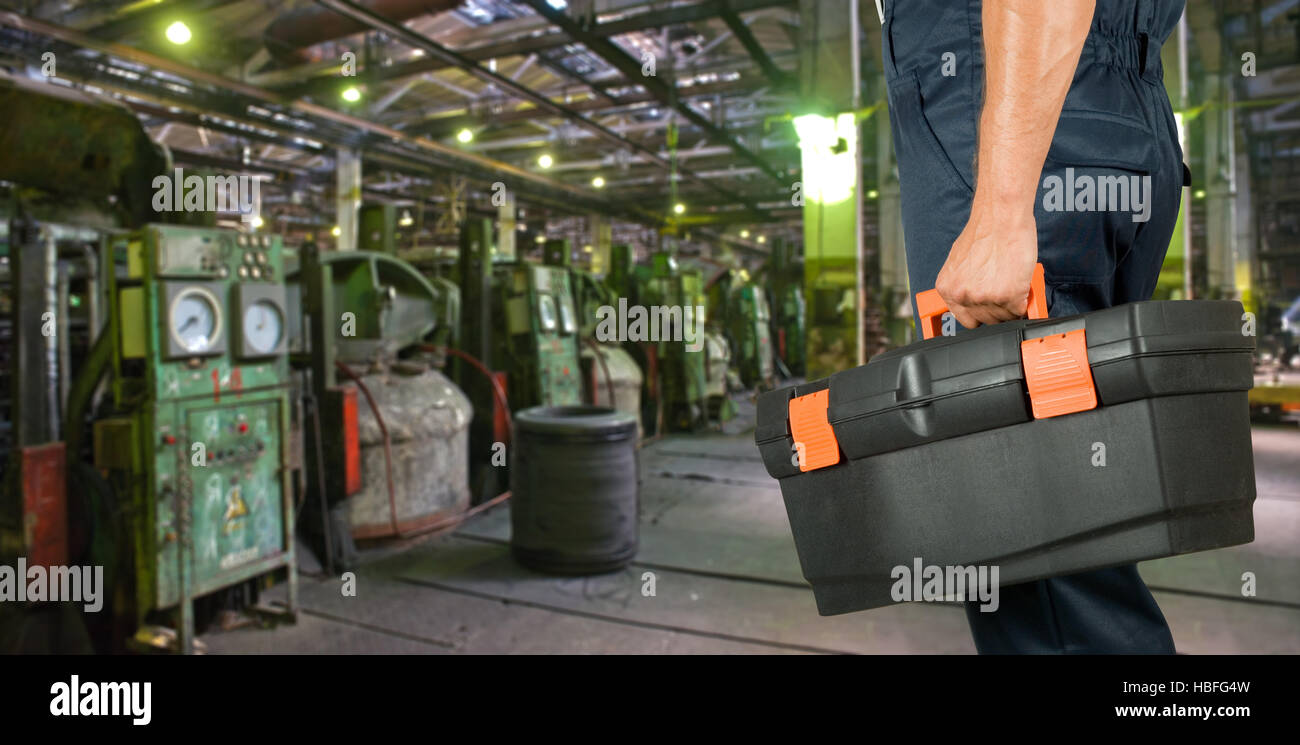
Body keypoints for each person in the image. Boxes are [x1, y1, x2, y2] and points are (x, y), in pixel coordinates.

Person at [880, 0, 1189, 652]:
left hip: (1003, 90)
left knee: (1033, 549)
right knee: (1074, 536)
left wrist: (1002, 204)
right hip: (1110, 98)